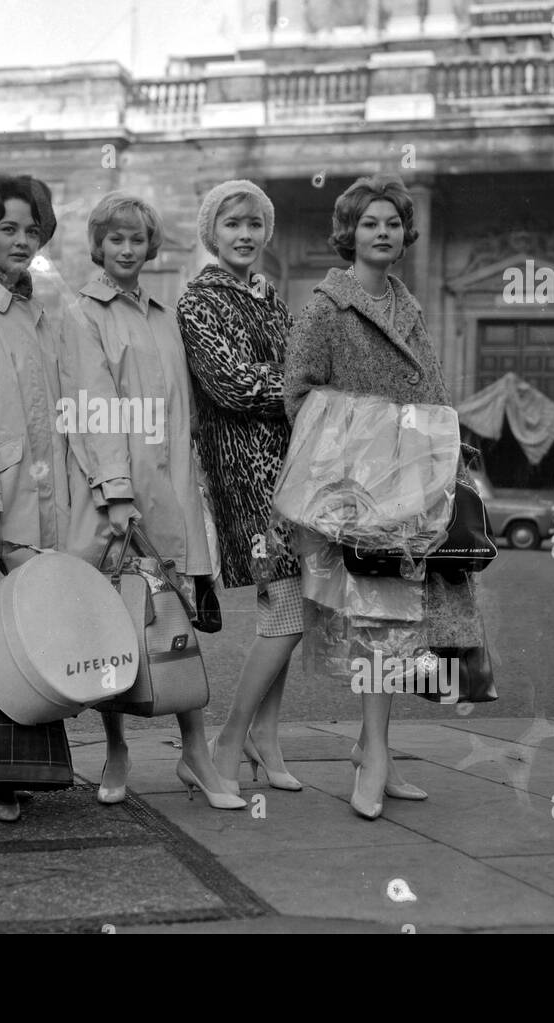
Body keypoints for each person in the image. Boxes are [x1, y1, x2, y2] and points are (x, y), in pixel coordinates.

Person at [284, 174, 482, 818]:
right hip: (360, 490)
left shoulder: (411, 307)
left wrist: (448, 451)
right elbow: (299, 395)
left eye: (393, 223)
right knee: (373, 625)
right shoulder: (325, 306)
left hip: (416, 485)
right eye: (370, 223)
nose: (382, 233)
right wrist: (366, 440)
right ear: (349, 233)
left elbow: (435, 387)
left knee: (400, 626)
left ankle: (378, 750)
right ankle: (371, 756)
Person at [0, 172, 130, 821]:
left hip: (59, 494)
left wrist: (112, 486)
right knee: (1, 628)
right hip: (1, 496)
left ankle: (28, 767)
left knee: (42, 626)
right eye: (8, 228)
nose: (22, 240)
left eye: (32, 229)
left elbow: (89, 396)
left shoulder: (50, 307)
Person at [71, 192, 244, 810]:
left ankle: (194, 752)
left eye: (136, 240)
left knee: (177, 628)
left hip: (172, 497)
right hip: (119, 501)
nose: (126, 249)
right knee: (117, 629)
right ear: (99, 245)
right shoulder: (84, 313)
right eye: (114, 239)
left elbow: (185, 411)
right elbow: (95, 409)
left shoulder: (163, 313)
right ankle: (117, 751)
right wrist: (117, 494)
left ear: (150, 247)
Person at [175, 180, 305, 796]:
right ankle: (230, 740)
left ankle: (266, 738)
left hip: (290, 469)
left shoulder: (271, 299)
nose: (245, 235)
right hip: (243, 471)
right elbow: (233, 386)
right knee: (286, 606)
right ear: (212, 232)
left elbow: (288, 374)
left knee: (290, 608)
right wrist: (302, 391)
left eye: (255, 224)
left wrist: (295, 385)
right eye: (232, 224)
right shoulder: (200, 300)